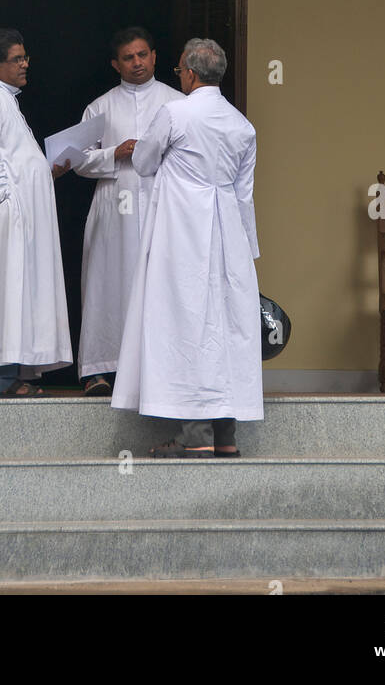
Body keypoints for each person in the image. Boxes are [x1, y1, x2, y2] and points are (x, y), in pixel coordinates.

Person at [111, 37, 263, 456]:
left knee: (188, 322)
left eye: (179, 70)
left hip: (183, 232)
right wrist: (248, 254)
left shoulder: (175, 112)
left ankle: (195, 438)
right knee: (227, 328)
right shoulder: (242, 125)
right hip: (229, 233)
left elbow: (143, 163)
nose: (179, 75)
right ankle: (226, 437)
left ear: (191, 74)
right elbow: (245, 194)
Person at [0, 27, 72, 396]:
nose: (24, 65)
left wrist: (42, 172)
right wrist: (8, 200)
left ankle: (12, 374)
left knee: (16, 293)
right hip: (4, 217)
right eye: (16, 59)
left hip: (16, 217)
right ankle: (0, 380)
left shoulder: (6, 99)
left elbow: (13, 157)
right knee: (0, 292)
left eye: (25, 58)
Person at [73, 27, 182, 396]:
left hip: (158, 206)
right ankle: (99, 371)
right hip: (112, 208)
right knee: (107, 284)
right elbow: (78, 160)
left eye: (142, 55)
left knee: (157, 287)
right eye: (128, 58)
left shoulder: (175, 103)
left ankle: (155, 370)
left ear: (154, 56)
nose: (137, 63)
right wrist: (113, 153)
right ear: (115, 64)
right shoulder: (100, 107)